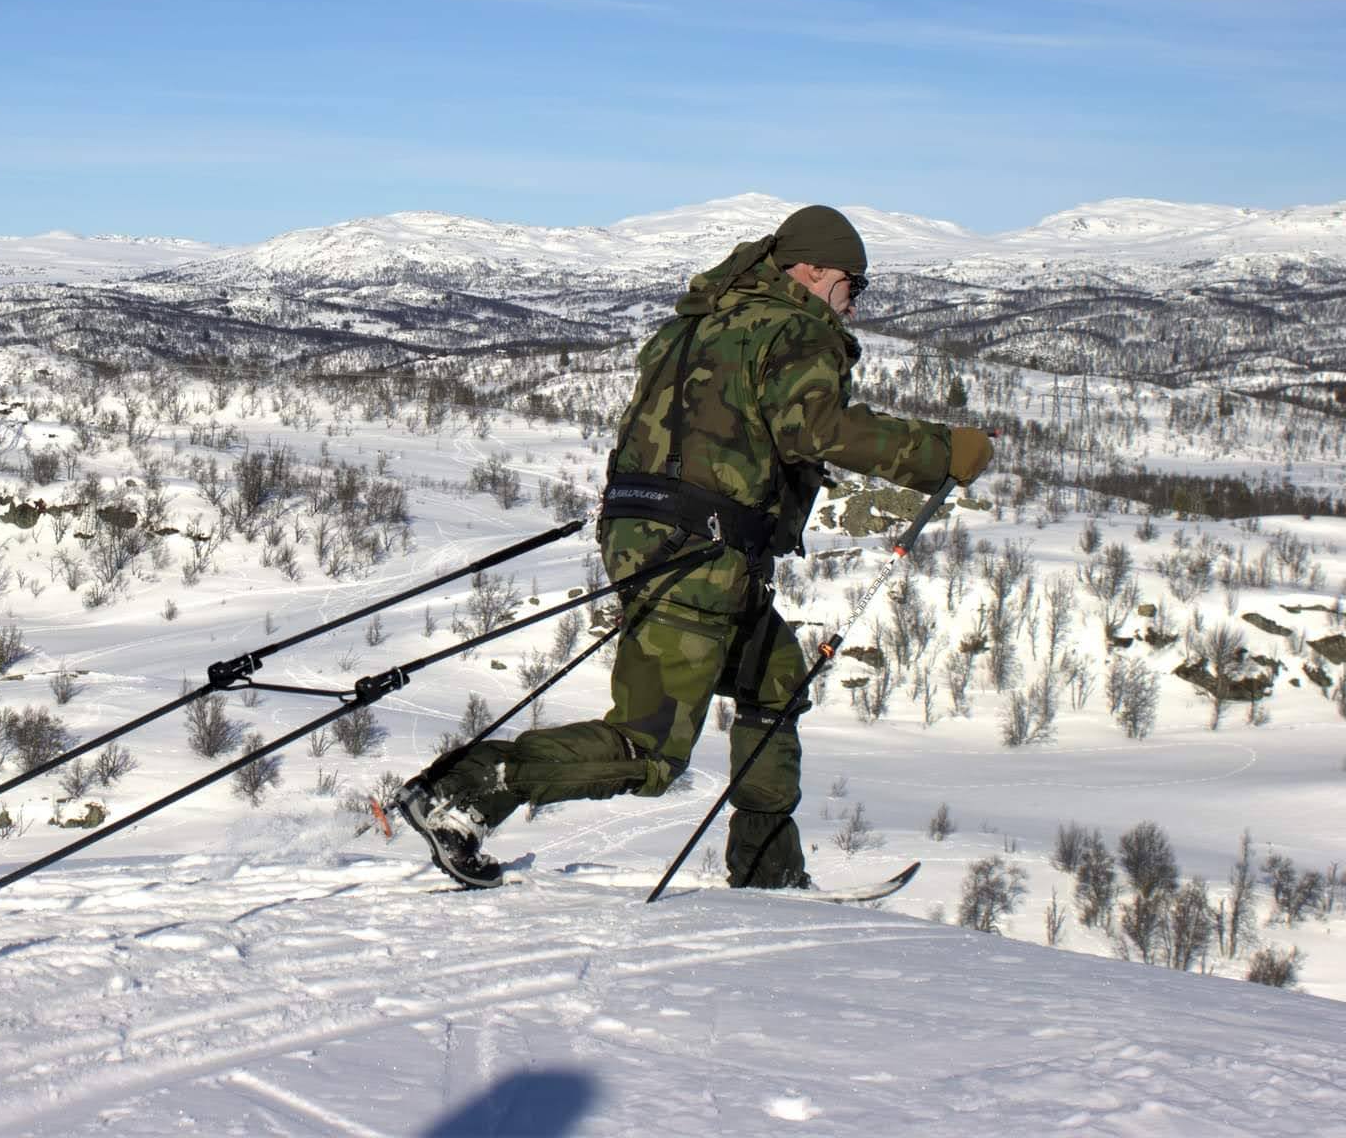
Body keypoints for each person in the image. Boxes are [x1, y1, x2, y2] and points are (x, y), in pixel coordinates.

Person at [399, 204, 994, 889]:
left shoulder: (697, 323)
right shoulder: (795, 328)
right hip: (700, 554)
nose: (852, 306)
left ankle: (769, 871)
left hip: (655, 534)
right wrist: (944, 451)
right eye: (851, 287)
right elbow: (817, 429)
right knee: (650, 750)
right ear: (814, 271)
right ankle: (469, 794)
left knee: (774, 681)